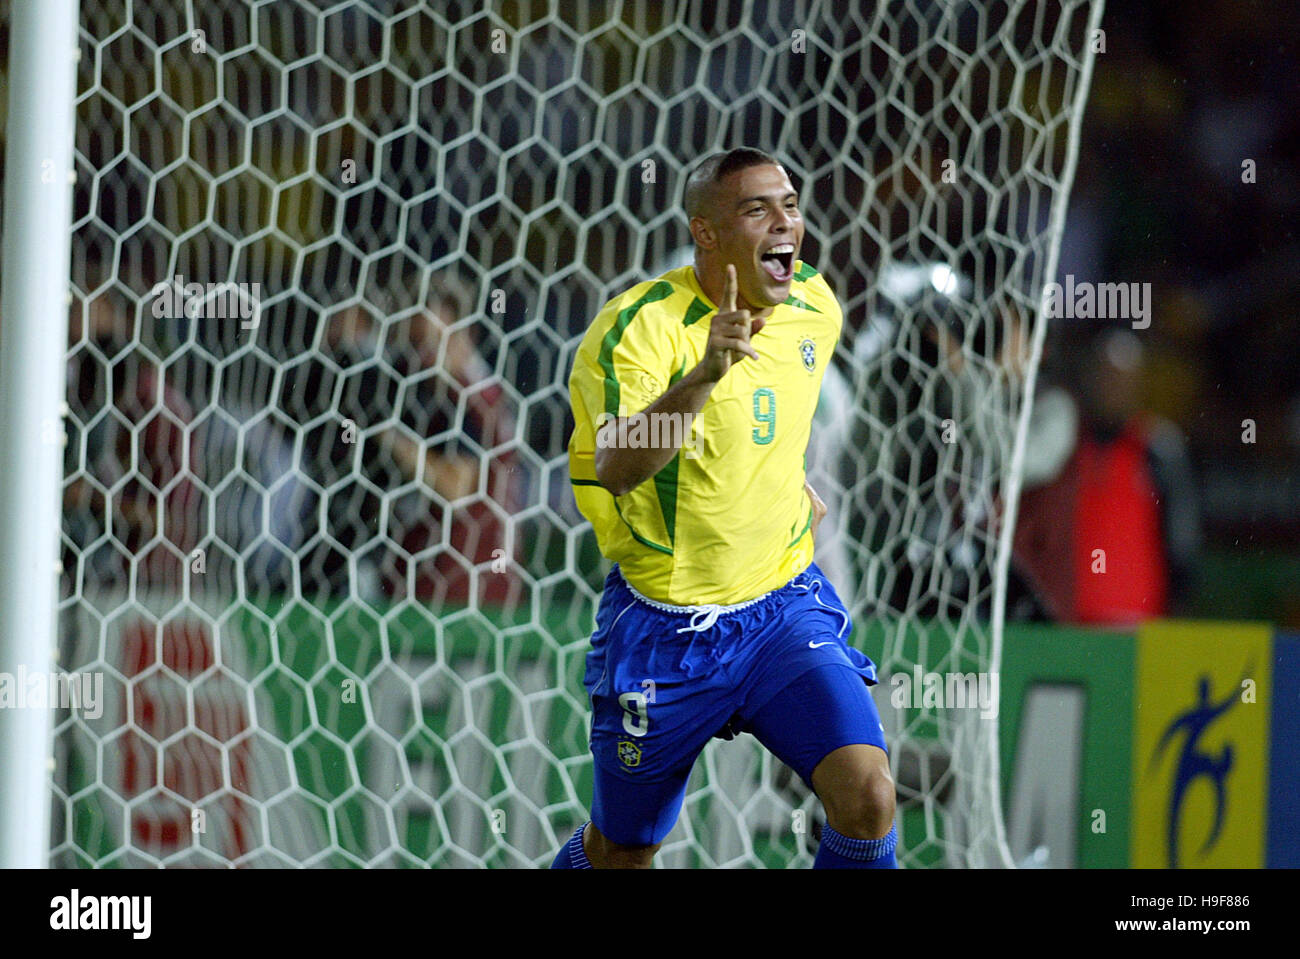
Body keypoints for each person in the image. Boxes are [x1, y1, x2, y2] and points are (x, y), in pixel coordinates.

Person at [555, 148, 896, 869]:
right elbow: (616, 466)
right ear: (705, 233)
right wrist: (707, 373)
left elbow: (771, 425)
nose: (787, 224)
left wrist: (780, 487)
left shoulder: (814, 307)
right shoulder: (638, 328)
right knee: (620, 852)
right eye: (758, 209)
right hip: (664, 631)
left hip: (780, 608)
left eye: (792, 205)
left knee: (867, 796)